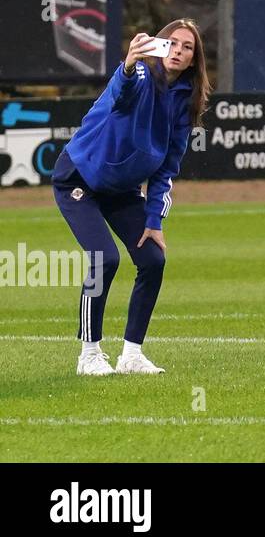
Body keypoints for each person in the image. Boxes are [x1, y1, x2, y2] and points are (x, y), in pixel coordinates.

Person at [55, 20, 210, 375]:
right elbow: (119, 94)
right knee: (105, 259)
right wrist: (126, 66)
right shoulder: (139, 73)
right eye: (172, 42)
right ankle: (89, 355)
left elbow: (166, 169)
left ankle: (131, 355)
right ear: (159, 46)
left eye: (187, 47)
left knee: (153, 260)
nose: (178, 50)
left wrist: (154, 221)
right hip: (79, 177)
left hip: (121, 188)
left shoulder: (186, 101)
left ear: (193, 60)